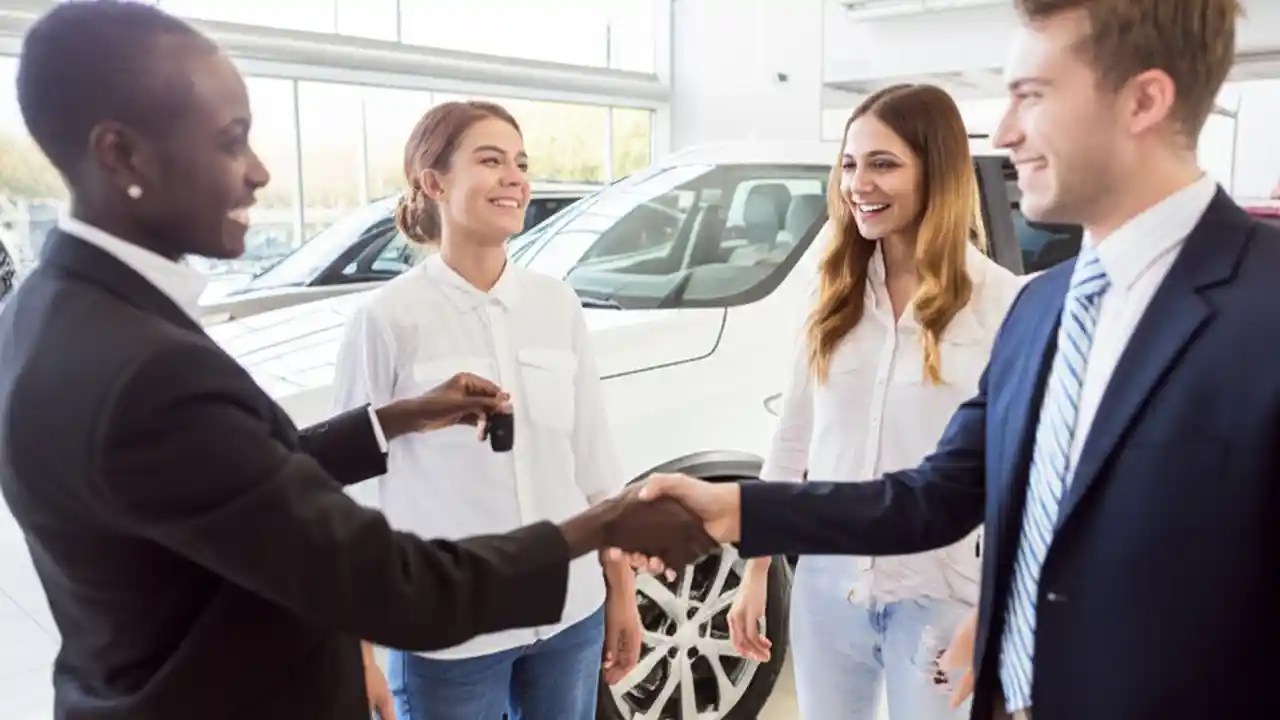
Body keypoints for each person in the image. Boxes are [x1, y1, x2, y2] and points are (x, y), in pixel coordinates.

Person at [0, 4, 715, 720]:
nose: (258, 173)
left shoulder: (49, 317)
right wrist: (601, 528)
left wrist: (395, 419)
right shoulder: (147, 367)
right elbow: (389, 581)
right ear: (122, 154)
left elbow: (245, 479)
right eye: (231, 140)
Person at [636, 1, 1280, 719]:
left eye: (1031, 95)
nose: (1003, 133)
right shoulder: (1045, 308)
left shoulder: (1263, 308)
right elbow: (935, 498)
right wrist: (736, 507)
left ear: (1144, 100)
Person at [333, 100, 641, 720]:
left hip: (568, 610)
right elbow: (352, 500)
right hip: (450, 633)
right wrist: (358, 654)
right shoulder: (387, 320)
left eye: (521, 163)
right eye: (491, 160)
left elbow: (594, 461)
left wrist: (622, 592)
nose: (516, 178)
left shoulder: (558, 305)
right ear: (434, 181)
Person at [727, 84, 1020, 720]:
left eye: (883, 164)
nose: (859, 183)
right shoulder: (832, 292)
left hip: (942, 594)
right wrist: (756, 574)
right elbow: (793, 439)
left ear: (937, 172)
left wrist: (996, 613)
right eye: (851, 164)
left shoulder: (1001, 304)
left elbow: (1014, 477)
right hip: (827, 588)